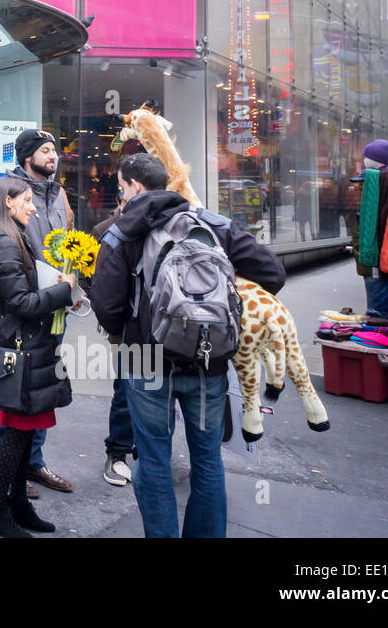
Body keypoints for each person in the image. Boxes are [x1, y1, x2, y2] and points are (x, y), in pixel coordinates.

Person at [91, 153, 285, 538]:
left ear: (135, 187)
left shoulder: (120, 233)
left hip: (144, 362)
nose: (120, 195)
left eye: (120, 187)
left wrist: (129, 331)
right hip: (207, 361)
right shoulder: (210, 224)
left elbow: (107, 306)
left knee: (153, 461)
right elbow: (273, 273)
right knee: (208, 462)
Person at [0, 175, 76, 537]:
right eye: (27, 200)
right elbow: (21, 303)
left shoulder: (11, 237)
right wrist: (63, 291)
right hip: (21, 349)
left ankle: (17, 503)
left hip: (29, 347)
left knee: (24, 434)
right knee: (16, 435)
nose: (33, 207)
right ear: (8, 202)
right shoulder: (5, 243)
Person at [0, 128, 74, 497]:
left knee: (42, 383)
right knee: (11, 388)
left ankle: (33, 462)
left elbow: (71, 236)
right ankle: (7, 472)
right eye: (44, 150)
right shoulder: (7, 191)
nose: (52, 156)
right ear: (27, 156)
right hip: (22, 305)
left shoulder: (59, 194)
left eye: (54, 150)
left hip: (54, 302)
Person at [90, 195, 136, 487]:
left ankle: (130, 453)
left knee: (138, 391)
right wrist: (115, 329)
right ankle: (118, 453)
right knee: (127, 391)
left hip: (151, 330)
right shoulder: (108, 231)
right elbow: (102, 288)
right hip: (134, 329)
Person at [352, 139, 388, 318]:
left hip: (377, 264)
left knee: (379, 314)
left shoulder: (382, 188)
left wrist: (361, 253)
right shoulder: (385, 188)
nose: (358, 188)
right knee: (378, 310)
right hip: (374, 264)